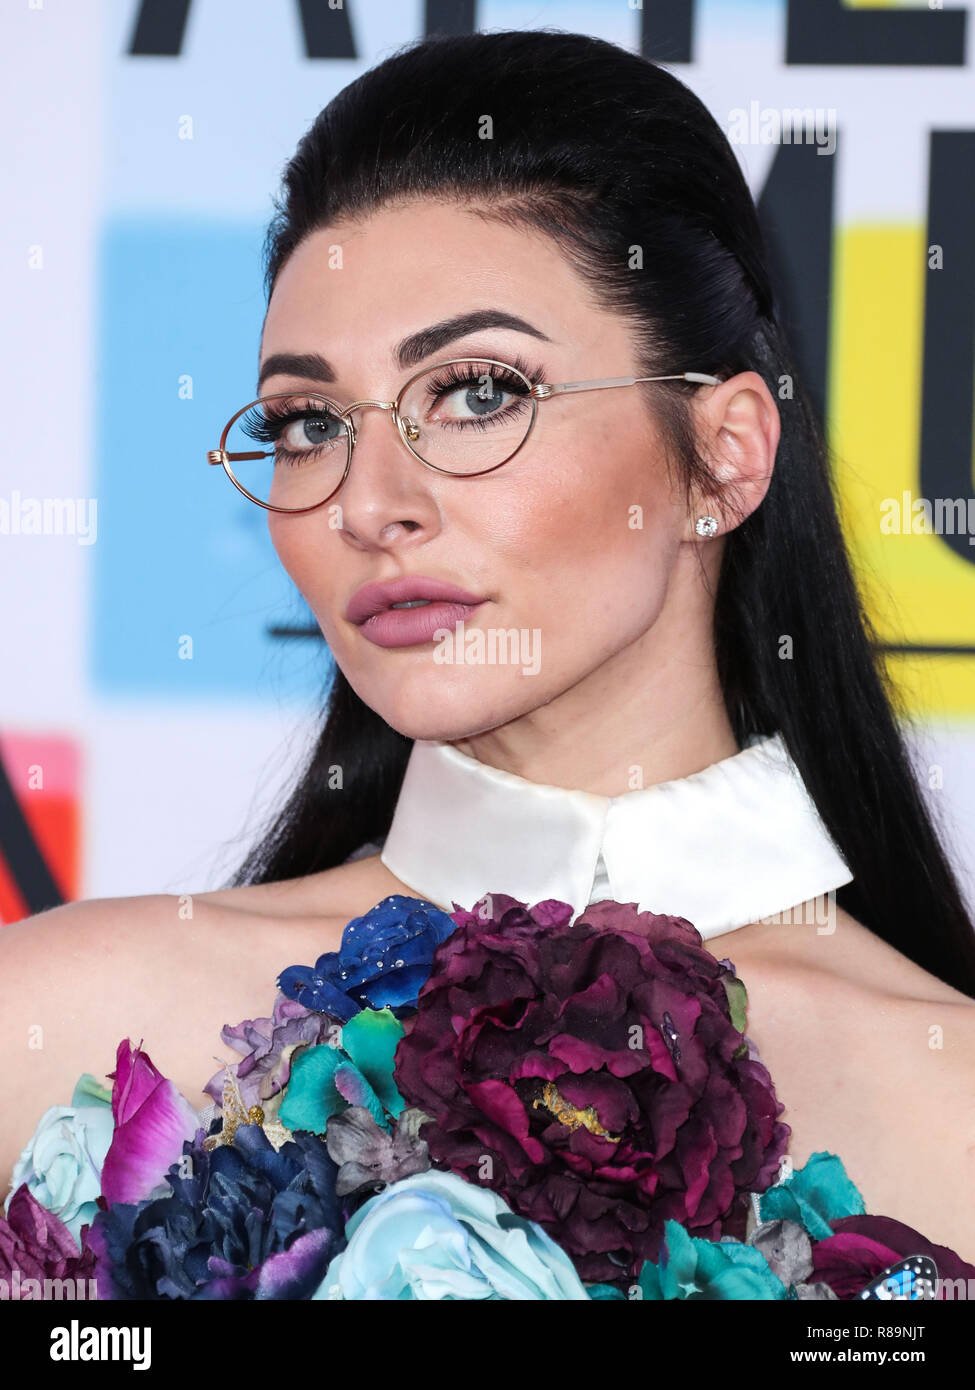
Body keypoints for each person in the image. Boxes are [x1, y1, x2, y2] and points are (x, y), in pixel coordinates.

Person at [3, 29, 974, 1261]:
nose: (366, 501)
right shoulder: (53, 1022)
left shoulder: (951, 1101)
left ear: (726, 451)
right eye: (309, 422)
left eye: (478, 393)